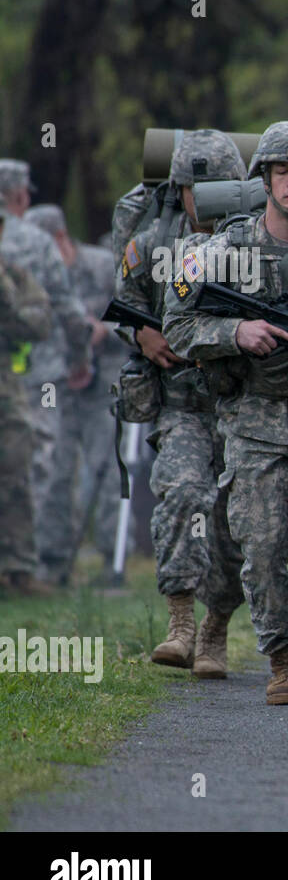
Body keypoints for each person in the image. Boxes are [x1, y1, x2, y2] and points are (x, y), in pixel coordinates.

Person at [164, 122, 288, 704]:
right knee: (260, 545)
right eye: (284, 172)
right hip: (251, 419)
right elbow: (175, 324)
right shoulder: (221, 251)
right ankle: (282, 658)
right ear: (266, 178)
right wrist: (234, 330)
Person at [112, 130, 248, 675]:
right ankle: (181, 622)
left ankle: (216, 628)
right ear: (180, 191)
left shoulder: (256, 238)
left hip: (244, 404)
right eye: (199, 191)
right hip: (181, 403)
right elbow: (125, 301)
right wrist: (142, 334)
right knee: (183, 492)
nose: (209, 203)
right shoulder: (151, 238)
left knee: (236, 520)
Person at [0, 159, 92, 585]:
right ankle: (24, 566)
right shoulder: (37, 242)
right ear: (20, 195)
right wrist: (79, 359)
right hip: (41, 374)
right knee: (36, 463)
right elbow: (69, 308)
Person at [26, 204, 123, 585]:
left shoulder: (101, 265)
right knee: (57, 468)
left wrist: (104, 330)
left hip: (105, 383)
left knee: (109, 467)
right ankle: (55, 560)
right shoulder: (40, 274)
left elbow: (135, 313)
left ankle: (112, 560)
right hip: (58, 385)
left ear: (60, 236)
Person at [0, 225, 53, 597]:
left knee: (17, 471)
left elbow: (40, 322)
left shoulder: (13, 275)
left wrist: (7, 299)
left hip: (6, 387)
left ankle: (18, 568)